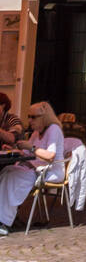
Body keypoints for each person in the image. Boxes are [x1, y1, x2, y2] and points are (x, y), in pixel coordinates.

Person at [0, 100, 64, 235]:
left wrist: (31, 147)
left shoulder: (54, 129)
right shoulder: (36, 132)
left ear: (44, 117)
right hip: (35, 168)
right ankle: (7, 216)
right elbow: (28, 153)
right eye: (28, 117)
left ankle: (4, 221)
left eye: (33, 117)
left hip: (50, 170)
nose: (29, 120)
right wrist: (13, 149)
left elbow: (50, 156)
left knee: (13, 176)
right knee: (6, 171)